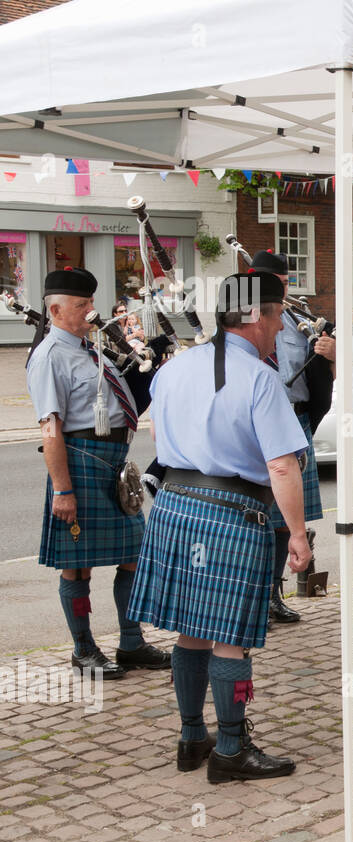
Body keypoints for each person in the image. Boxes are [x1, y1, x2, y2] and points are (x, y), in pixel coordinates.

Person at [128, 271, 310, 781]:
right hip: (230, 512)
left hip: (174, 506)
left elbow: (161, 439)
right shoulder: (260, 378)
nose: (281, 328)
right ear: (255, 316)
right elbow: (281, 465)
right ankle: (231, 749)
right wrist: (296, 533)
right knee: (230, 637)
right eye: (277, 316)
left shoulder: (173, 369)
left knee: (191, 632)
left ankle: (192, 738)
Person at [26, 267, 170, 680]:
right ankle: (83, 650)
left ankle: (130, 643)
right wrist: (62, 490)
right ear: (55, 310)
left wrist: (150, 365)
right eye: (81, 305)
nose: (91, 311)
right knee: (77, 567)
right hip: (80, 466)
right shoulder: (50, 355)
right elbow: (50, 428)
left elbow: (121, 406)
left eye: (91, 303)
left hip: (111, 466)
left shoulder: (92, 351)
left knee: (134, 556)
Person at [247, 250, 335, 622]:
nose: (281, 291)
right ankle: (251, 597)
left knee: (285, 519)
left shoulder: (301, 321)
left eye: (284, 284)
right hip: (255, 424)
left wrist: (332, 356)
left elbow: (321, 377)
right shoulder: (241, 319)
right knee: (257, 516)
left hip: (294, 422)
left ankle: (272, 595)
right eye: (274, 284)